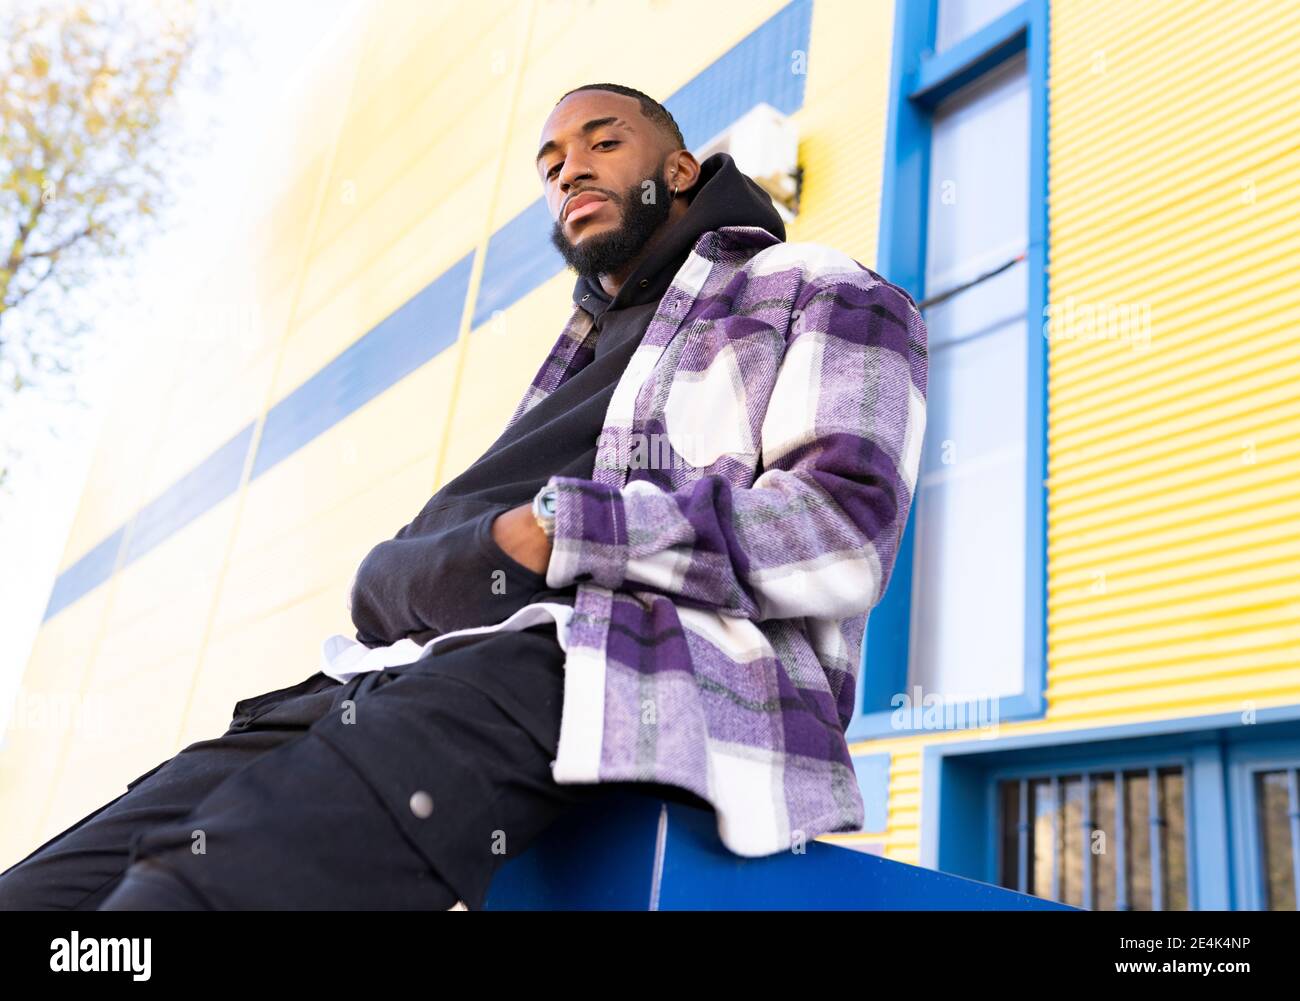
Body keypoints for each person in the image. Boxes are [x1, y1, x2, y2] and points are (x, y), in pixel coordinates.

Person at [0, 82, 927, 911]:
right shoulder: (578, 352)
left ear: (683, 169)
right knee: (49, 890)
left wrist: (557, 534)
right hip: (401, 661)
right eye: (552, 162)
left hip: (623, 657)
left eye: (603, 142)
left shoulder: (816, 284)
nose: (570, 171)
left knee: (196, 890)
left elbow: (838, 529)